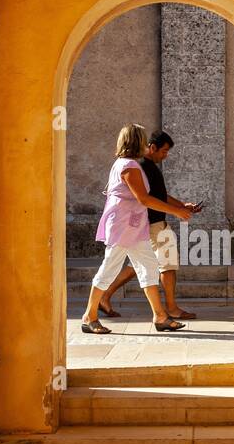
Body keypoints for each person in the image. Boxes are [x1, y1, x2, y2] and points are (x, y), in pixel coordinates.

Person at [81, 124, 194, 334]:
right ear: (137, 141)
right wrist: (177, 211)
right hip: (124, 227)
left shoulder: (126, 164)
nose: (145, 143)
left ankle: (160, 317)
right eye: (142, 139)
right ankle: (89, 316)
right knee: (109, 268)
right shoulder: (130, 166)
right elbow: (144, 198)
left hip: (134, 227)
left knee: (149, 268)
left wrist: (176, 207)